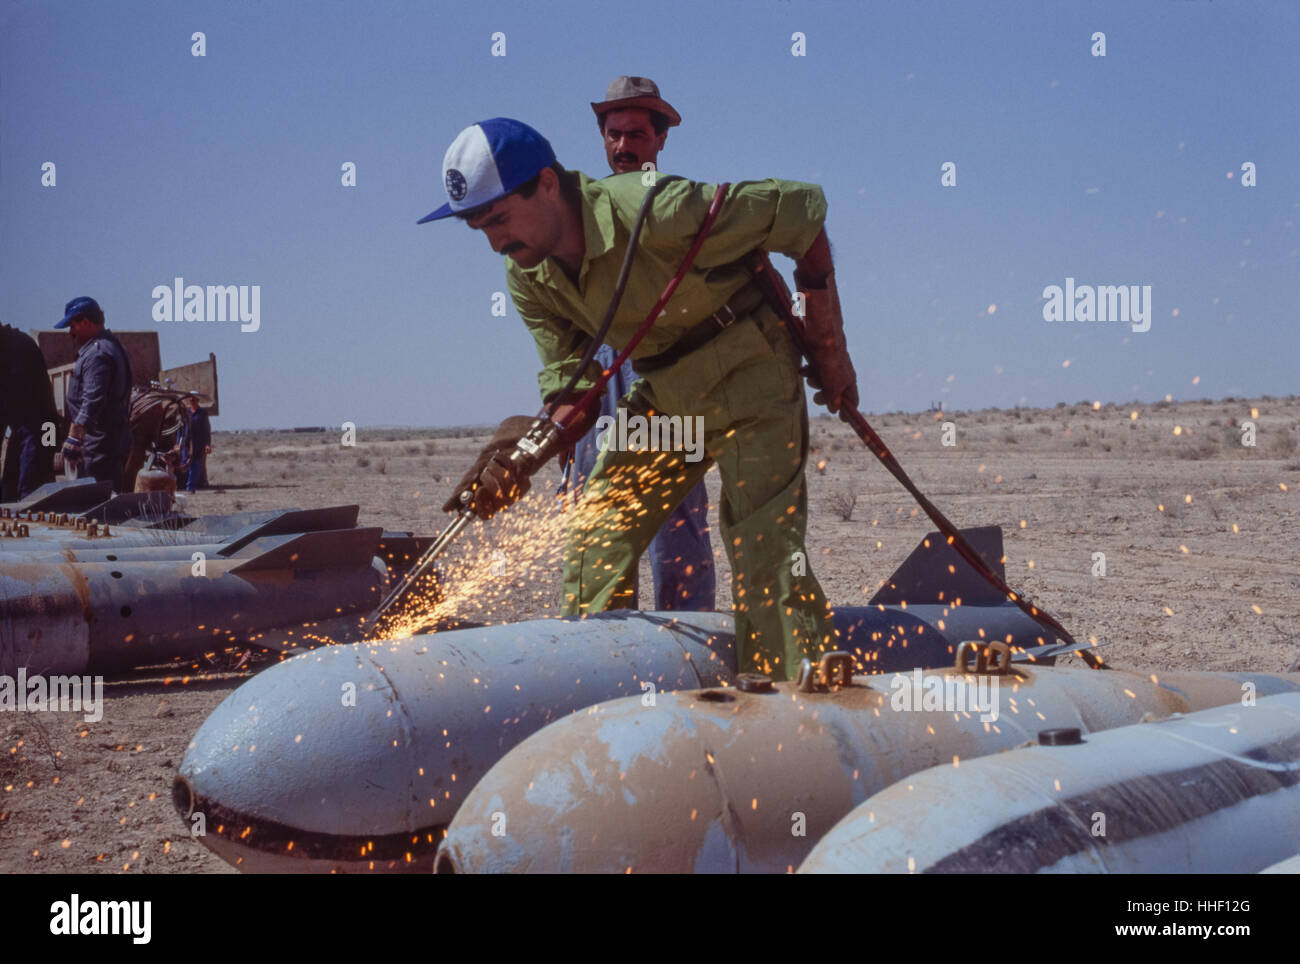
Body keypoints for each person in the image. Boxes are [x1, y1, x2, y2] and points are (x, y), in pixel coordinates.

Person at [419, 118, 858, 679]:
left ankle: (797, 703)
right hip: (666, 399)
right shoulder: (528, 275)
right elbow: (575, 386)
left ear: (547, 184)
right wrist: (523, 453)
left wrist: (828, 342)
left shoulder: (658, 208)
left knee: (765, 556)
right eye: (479, 228)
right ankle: (601, 688)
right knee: (595, 537)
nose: (495, 242)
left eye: (500, 219)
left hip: (751, 380)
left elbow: (802, 212)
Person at [566, 76, 714, 612]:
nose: (623, 145)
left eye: (636, 134)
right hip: (597, 378)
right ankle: (603, 648)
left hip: (667, 379)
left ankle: (690, 649)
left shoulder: (683, 207)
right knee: (597, 521)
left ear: (661, 139)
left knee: (676, 523)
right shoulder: (580, 210)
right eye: (614, 134)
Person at [55, 297, 132, 491]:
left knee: (94, 501)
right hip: (107, 443)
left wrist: (74, 438)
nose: (70, 333)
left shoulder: (97, 353)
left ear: (86, 322)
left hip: (96, 448)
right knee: (107, 499)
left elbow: (92, 399)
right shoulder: (111, 345)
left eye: (72, 326)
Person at [0, 322, 59, 501]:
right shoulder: (12, 342)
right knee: (8, 491)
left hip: (43, 428)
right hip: (27, 427)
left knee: (33, 491)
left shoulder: (17, 347)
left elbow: (5, 403)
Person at [177, 393, 212, 493]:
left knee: (195, 465)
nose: (192, 401)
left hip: (198, 443)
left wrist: (207, 444)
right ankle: (184, 484)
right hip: (186, 443)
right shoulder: (185, 413)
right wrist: (177, 443)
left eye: (194, 400)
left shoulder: (202, 413)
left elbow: (206, 430)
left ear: (197, 401)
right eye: (190, 400)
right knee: (185, 464)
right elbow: (180, 429)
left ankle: (190, 487)